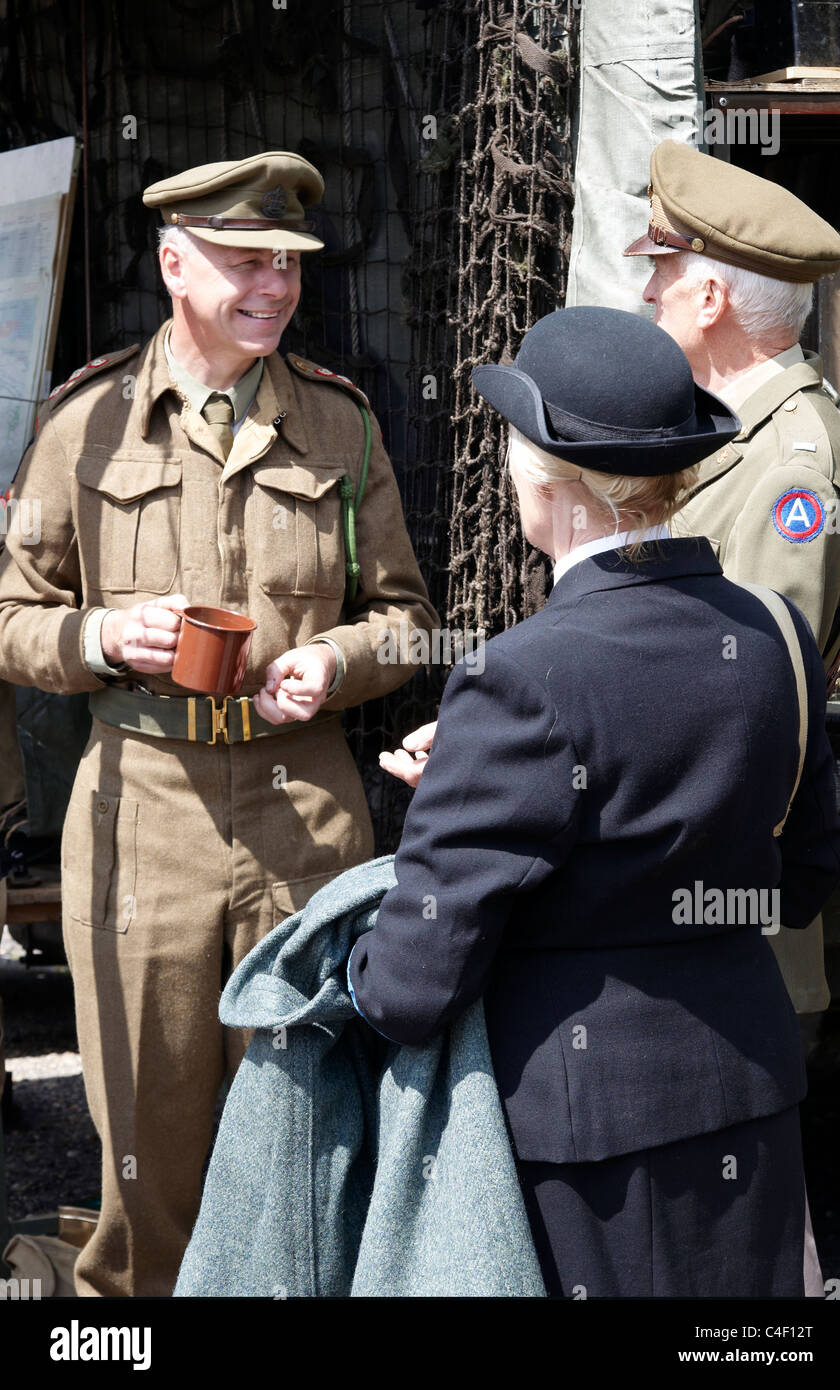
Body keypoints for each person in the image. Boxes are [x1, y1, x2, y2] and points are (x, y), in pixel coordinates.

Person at [0, 151, 438, 1297]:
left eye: (288, 265)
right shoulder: (86, 422)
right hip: (142, 812)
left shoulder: (341, 426)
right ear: (172, 263)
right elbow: (11, 617)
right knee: (148, 1136)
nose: (276, 286)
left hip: (304, 806)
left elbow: (405, 618)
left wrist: (334, 661)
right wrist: (102, 640)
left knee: (309, 1119)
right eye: (247, 261)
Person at [348, 306, 840, 1298]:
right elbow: (795, 884)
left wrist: (452, 817)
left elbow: (407, 988)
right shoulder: (774, 636)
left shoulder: (518, 678)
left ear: (543, 477)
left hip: (587, 1150)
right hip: (750, 1096)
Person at [622, 139, 840, 1023]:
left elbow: (751, 704)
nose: (647, 295)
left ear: (711, 296)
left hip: (720, 923)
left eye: (661, 273)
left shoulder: (788, 466)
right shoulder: (734, 436)